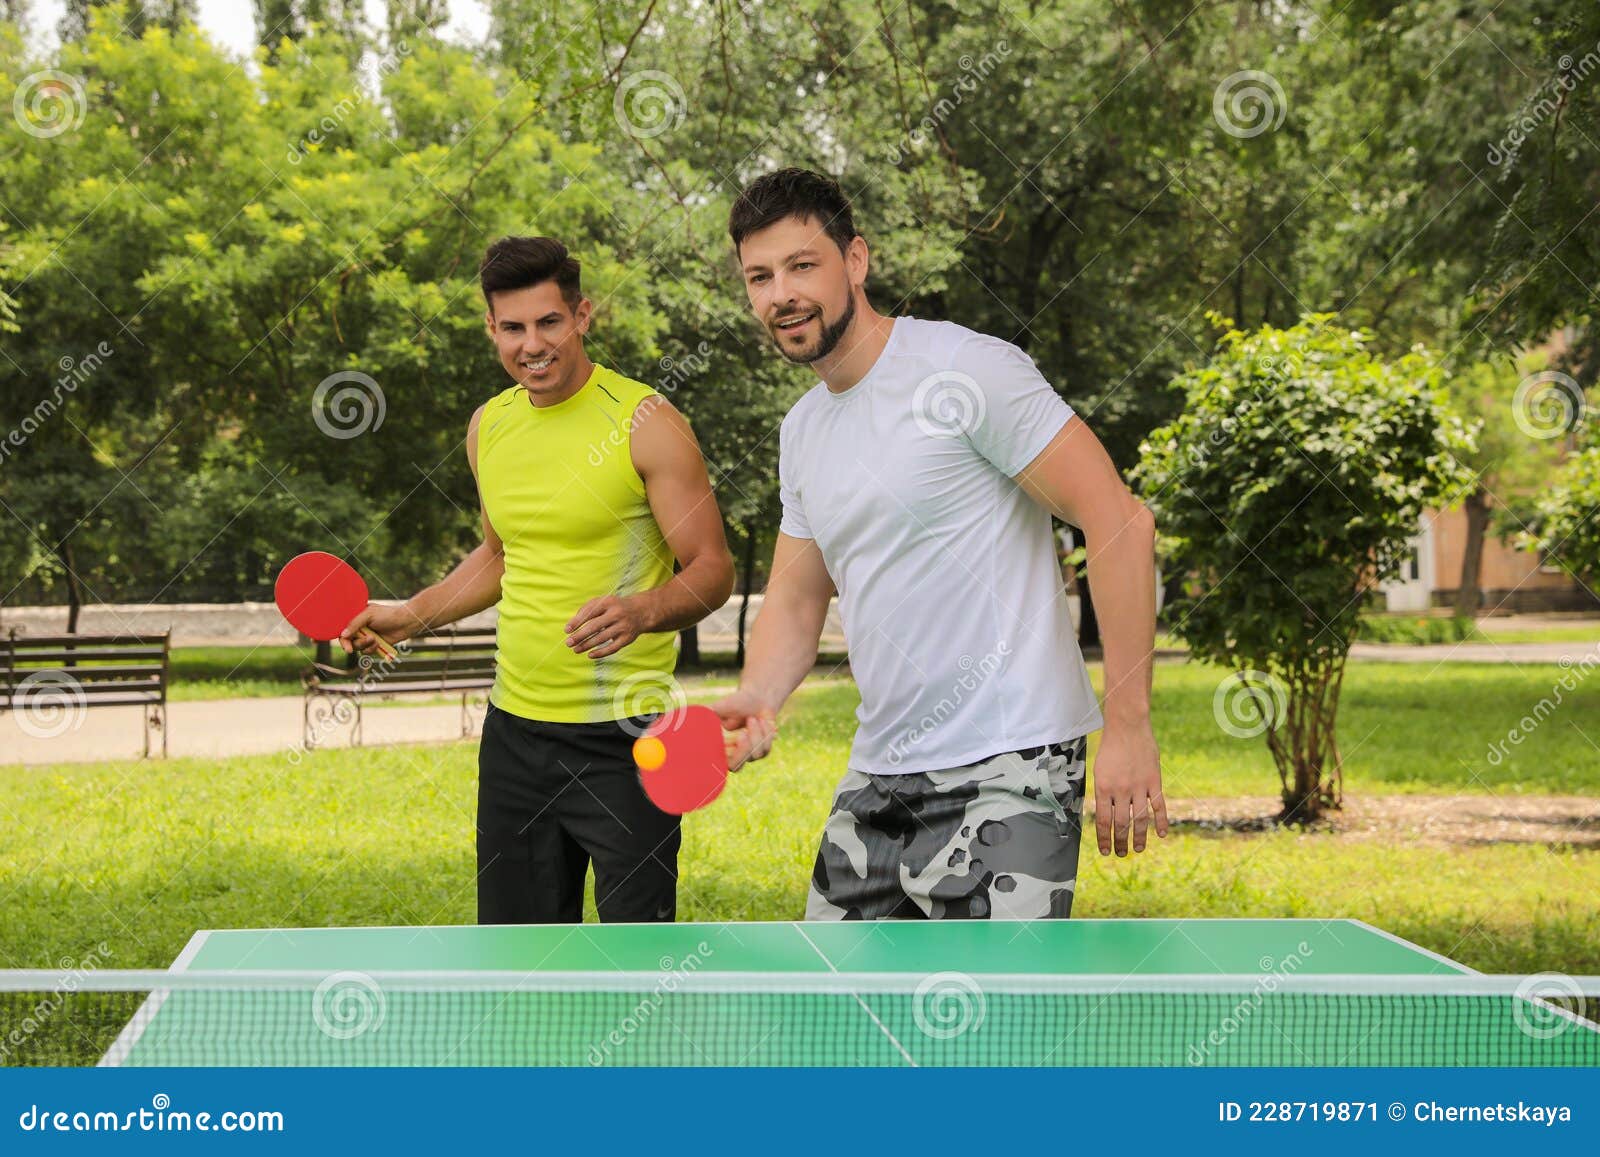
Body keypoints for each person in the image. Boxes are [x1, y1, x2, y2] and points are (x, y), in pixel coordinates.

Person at [713, 169, 1165, 921]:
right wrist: (759, 697)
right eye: (759, 276)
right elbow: (796, 595)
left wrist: (1128, 724)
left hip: (1012, 764)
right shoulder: (803, 431)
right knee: (836, 1016)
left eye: (802, 265)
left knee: (993, 1033)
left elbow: (1119, 520)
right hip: (880, 774)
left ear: (856, 260)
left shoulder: (964, 369)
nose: (780, 293)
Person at [342, 236, 734, 924]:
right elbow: (499, 556)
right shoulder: (488, 427)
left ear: (582, 316)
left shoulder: (647, 422)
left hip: (628, 739)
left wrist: (643, 610)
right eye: (513, 327)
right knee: (520, 964)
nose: (533, 344)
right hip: (515, 739)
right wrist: (412, 614)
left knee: (632, 964)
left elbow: (712, 568)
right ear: (491, 327)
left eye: (549, 322)